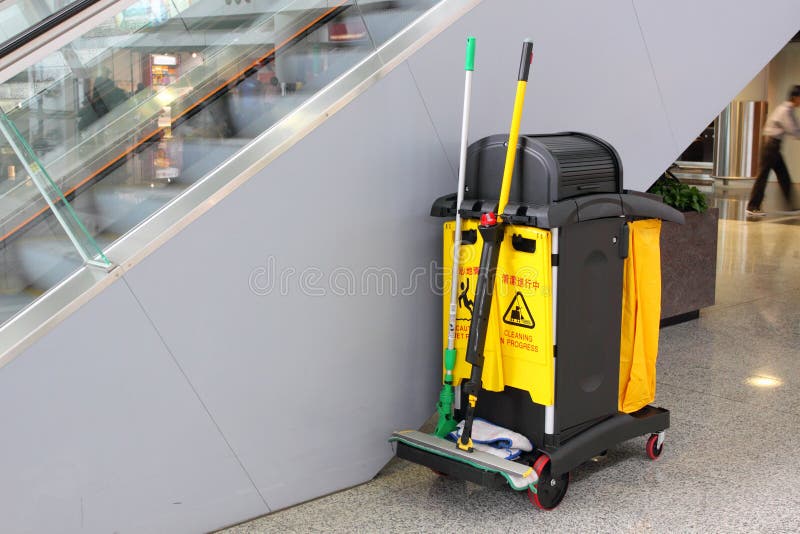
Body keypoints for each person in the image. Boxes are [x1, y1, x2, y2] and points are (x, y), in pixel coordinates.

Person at [746, 85, 800, 216]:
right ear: (795, 97)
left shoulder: (787, 109)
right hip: (771, 146)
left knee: (783, 176)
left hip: (774, 146)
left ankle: (792, 206)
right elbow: (793, 130)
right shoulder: (785, 110)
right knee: (763, 176)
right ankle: (752, 206)